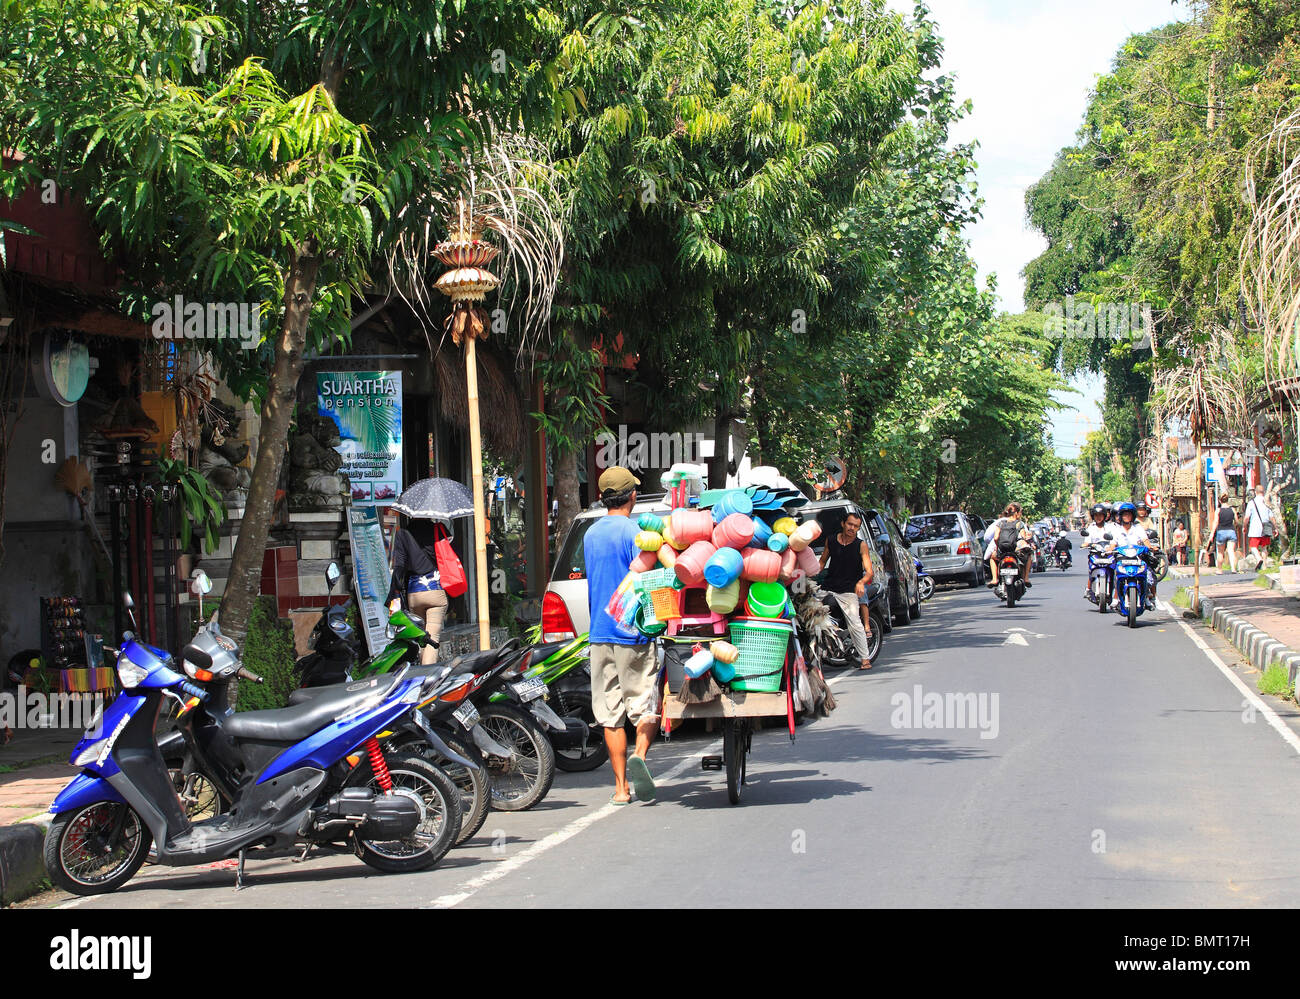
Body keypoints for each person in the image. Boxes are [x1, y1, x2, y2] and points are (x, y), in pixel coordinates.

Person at [584, 466, 658, 804]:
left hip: (599, 634)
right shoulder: (636, 532)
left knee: (609, 713)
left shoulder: (589, 534)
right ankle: (640, 755)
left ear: (602, 498)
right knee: (643, 706)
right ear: (632, 496)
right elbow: (647, 580)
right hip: (634, 632)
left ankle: (620, 788)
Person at [386, 516, 453, 664]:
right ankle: (428, 677)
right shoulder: (438, 530)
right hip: (436, 590)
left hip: (414, 593)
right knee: (432, 637)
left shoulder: (403, 533)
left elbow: (400, 566)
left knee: (422, 638)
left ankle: (420, 678)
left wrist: (394, 592)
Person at [818, 510, 876, 669]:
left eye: (856, 526)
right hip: (828, 586)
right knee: (809, 614)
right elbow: (822, 561)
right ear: (843, 524)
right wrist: (809, 573)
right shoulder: (831, 540)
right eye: (850, 524)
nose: (852, 528)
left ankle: (865, 659)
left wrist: (861, 582)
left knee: (855, 624)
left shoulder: (861, 545)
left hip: (849, 590)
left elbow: (869, 571)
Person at [984, 502, 1033, 590]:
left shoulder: (1001, 523)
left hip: (1002, 549)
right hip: (1014, 549)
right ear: (1017, 513)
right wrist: (1027, 537)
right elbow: (1023, 537)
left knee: (992, 558)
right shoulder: (1019, 523)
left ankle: (994, 579)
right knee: (1029, 555)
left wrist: (997, 547)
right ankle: (1026, 578)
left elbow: (995, 537)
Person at [1080, 503, 1111, 597]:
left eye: (1100, 515)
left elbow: (1115, 540)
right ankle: (1089, 588)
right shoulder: (1091, 528)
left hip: (1108, 554)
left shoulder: (1110, 527)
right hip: (1095, 554)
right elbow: (1086, 541)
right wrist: (1086, 544)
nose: (1098, 517)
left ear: (1104, 516)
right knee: (1092, 569)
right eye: (1096, 515)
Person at [1244, 484, 1274, 568]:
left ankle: (1258, 558)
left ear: (1255, 492)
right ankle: (1264, 566)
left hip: (1255, 528)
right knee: (1264, 547)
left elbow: (1247, 517)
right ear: (1263, 492)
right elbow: (1271, 517)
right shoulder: (1267, 502)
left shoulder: (1251, 503)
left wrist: (1244, 526)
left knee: (1253, 547)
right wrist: (1275, 528)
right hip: (1266, 527)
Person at [1214, 493, 1239, 573]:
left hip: (1221, 532)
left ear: (1220, 501)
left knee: (1220, 552)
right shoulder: (1232, 510)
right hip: (1231, 531)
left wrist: (1212, 533)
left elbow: (1215, 522)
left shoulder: (1218, 510)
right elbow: (1237, 521)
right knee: (1231, 551)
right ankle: (1233, 569)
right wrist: (1235, 526)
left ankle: (1219, 570)